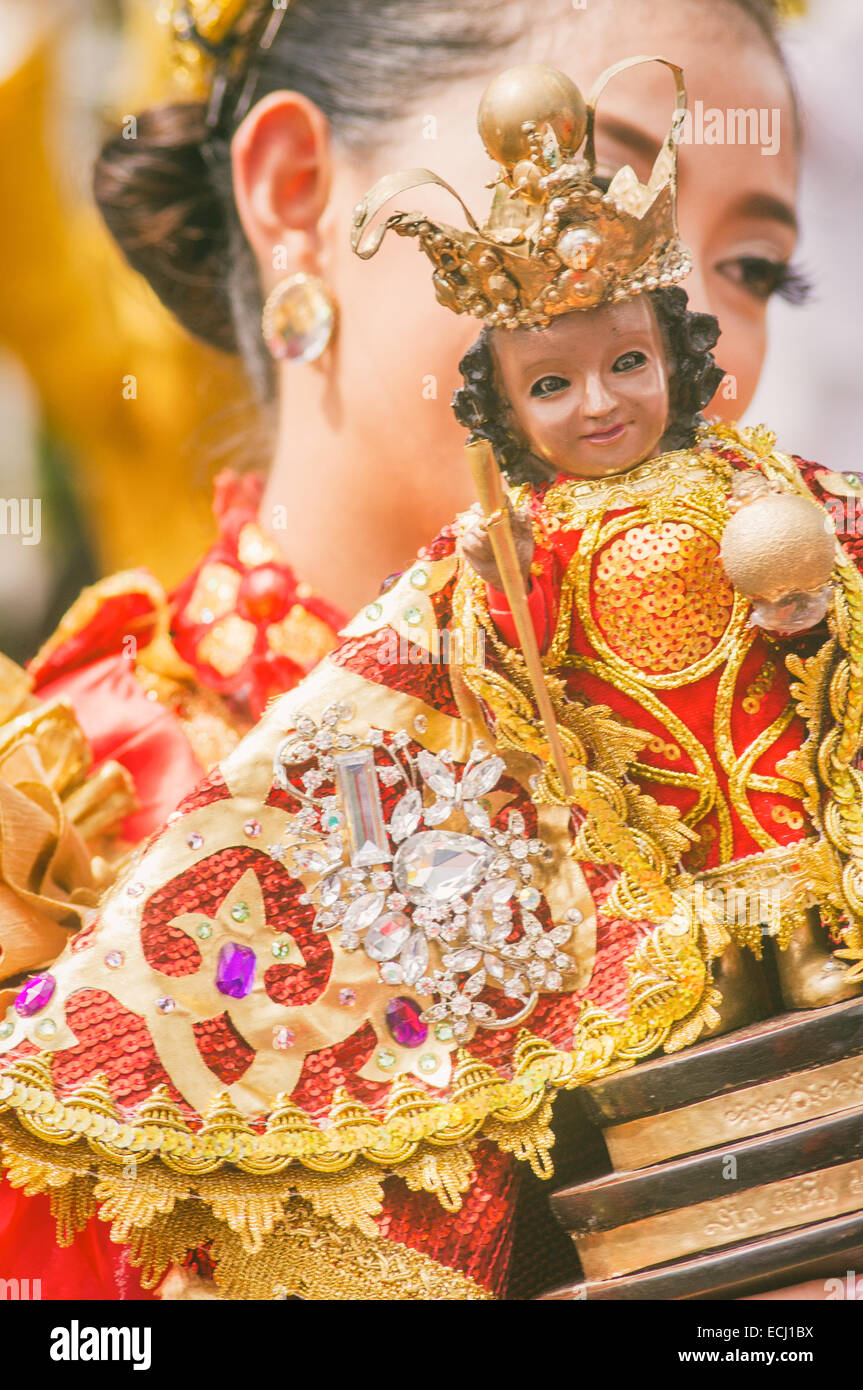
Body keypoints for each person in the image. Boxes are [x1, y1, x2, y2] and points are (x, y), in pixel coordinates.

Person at [2, 56, 857, 1302]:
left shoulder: (764, 507)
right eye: (550, 373)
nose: (715, 344)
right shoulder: (77, 822)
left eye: (754, 272)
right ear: (294, 191)